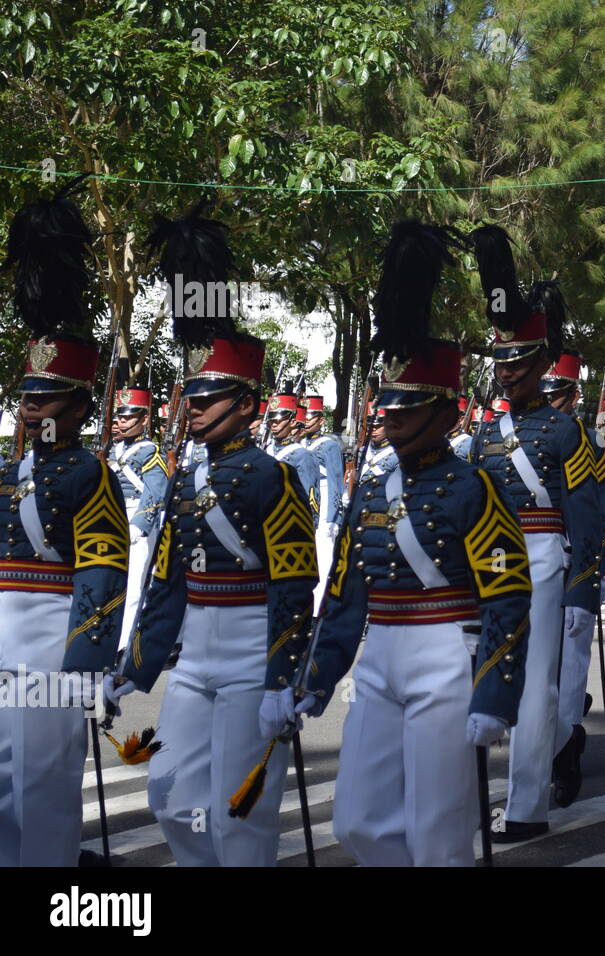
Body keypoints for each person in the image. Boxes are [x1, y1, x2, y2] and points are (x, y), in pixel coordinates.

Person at [300, 219, 529, 865]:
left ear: (447, 410)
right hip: (379, 657)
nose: (392, 416)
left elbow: (508, 597)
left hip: (447, 656)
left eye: (409, 406)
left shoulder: (472, 488)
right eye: (388, 406)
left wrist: (495, 692)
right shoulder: (372, 487)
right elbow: (344, 595)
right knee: (361, 822)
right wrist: (315, 680)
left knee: (439, 834)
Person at [108, 208, 318, 866]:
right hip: (195, 663)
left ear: (247, 404)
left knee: (240, 816)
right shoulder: (182, 479)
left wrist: (284, 678)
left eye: (207, 397)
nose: (191, 408)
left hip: (253, 663)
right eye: (188, 396)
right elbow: (165, 584)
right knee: (170, 798)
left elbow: (293, 587)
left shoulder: (272, 480)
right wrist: (135, 667)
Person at [0, 187, 130, 866]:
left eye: (45, 396)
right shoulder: (6, 467)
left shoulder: (90, 474)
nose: (31, 407)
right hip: (1, 633)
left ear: (79, 404)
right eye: (25, 395)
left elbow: (103, 574)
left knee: (45, 783)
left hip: (53, 639)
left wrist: (86, 666)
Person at [466, 227, 601, 841]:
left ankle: (527, 808)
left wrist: (581, 593)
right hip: (491, 565)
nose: (507, 375)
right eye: (500, 364)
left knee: (535, 687)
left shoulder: (565, 433)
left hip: (545, 559)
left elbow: (587, 522)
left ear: (542, 364)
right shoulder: (484, 437)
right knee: (489, 676)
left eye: (518, 364)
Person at [542, 349, 605, 807]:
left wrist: (601, 573)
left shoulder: (594, 444)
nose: (549, 402)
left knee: (570, 666)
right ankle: (556, 739)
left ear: (573, 397)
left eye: (556, 395)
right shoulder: (521, 434)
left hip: (575, 561)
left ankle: (564, 745)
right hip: (521, 564)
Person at [109, 387, 169, 653]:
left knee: (133, 586)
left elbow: (155, 491)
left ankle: (124, 646)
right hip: (112, 519)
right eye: (120, 416)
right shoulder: (113, 450)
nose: (122, 421)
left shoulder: (150, 451)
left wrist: (139, 525)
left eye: (129, 416)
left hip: (136, 523)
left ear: (144, 419)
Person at [300, 395, 344, 607]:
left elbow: (336, 480)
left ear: (321, 420)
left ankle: (320, 605)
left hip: (324, 500)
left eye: (312, 417)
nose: (307, 421)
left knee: (323, 554)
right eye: (305, 416)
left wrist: (332, 518)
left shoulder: (329, 445)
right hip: (304, 500)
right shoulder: (299, 442)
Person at [266, 391, 320, 509]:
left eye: (279, 420)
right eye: (272, 421)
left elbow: (308, 498)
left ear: (292, 422)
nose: (274, 425)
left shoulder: (303, 455)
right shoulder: (266, 450)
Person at [361, 404, 399, 481]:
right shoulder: (361, 450)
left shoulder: (397, 454)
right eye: (370, 426)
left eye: (378, 426)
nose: (374, 429)